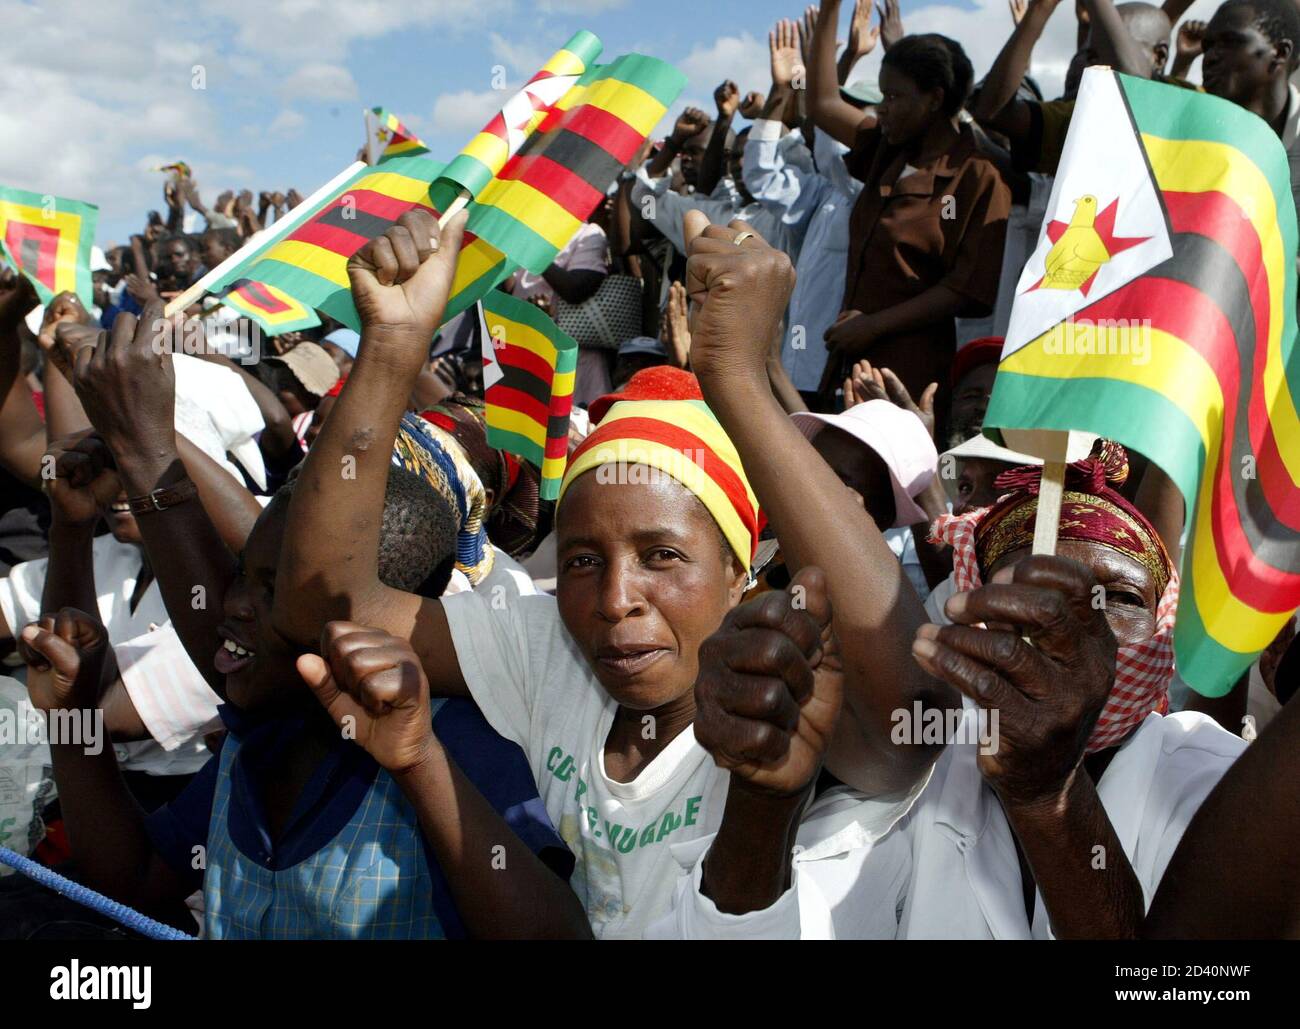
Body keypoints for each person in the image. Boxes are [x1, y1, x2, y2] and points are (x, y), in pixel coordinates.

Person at [271, 207, 950, 936]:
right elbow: (323, 609)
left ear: (741, 572)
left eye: (663, 556)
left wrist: (738, 379)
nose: (616, 599)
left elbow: (908, 732)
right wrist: (391, 349)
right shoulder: (546, 654)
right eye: (584, 561)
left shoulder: (780, 696)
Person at [15, 302, 584, 939]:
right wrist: (69, 716)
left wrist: (148, 442)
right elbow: (134, 881)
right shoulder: (262, 739)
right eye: (240, 574)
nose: (228, 605)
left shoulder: (471, 759)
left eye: (272, 592)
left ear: (380, 617)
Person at [659, 444, 1246, 938]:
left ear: (1163, 623)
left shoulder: (1220, 784)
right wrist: (763, 808)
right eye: (1027, 599)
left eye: (1116, 600)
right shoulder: (927, 759)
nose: (1071, 631)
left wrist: (1049, 798)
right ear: (975, 615)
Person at [808, 0, 1011, 427]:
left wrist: (874, 326)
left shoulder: (977, 178)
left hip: (912, 371)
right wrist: (830, 9)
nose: (882, 108)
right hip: (850, 358)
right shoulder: (887, 150)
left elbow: (967, 290)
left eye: (895, 96)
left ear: (934, 100)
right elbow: (822, 103)